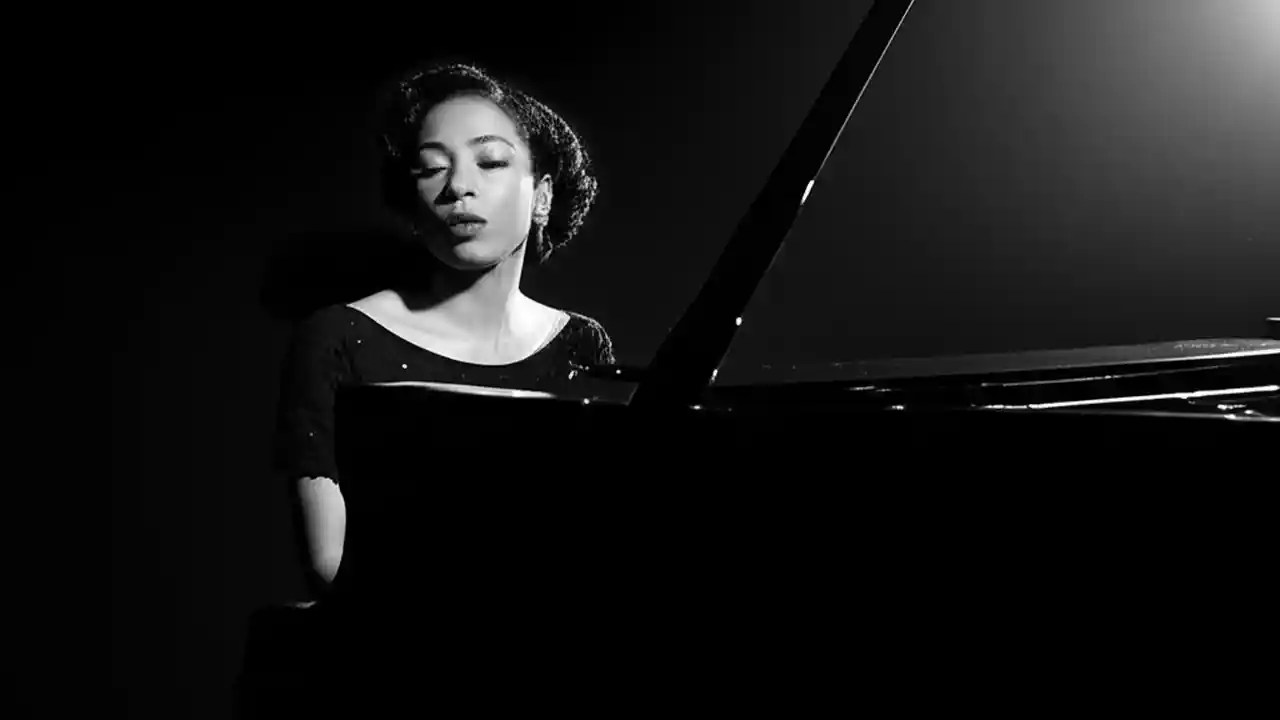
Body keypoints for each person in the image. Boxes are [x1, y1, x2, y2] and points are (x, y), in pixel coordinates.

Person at [262, 60, 615, 680]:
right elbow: (329, 562)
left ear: (544, 195)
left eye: (491, 162)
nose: (458, 187)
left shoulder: (581, 346)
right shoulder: (338, 336)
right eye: (431, 168)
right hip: (390, 663)